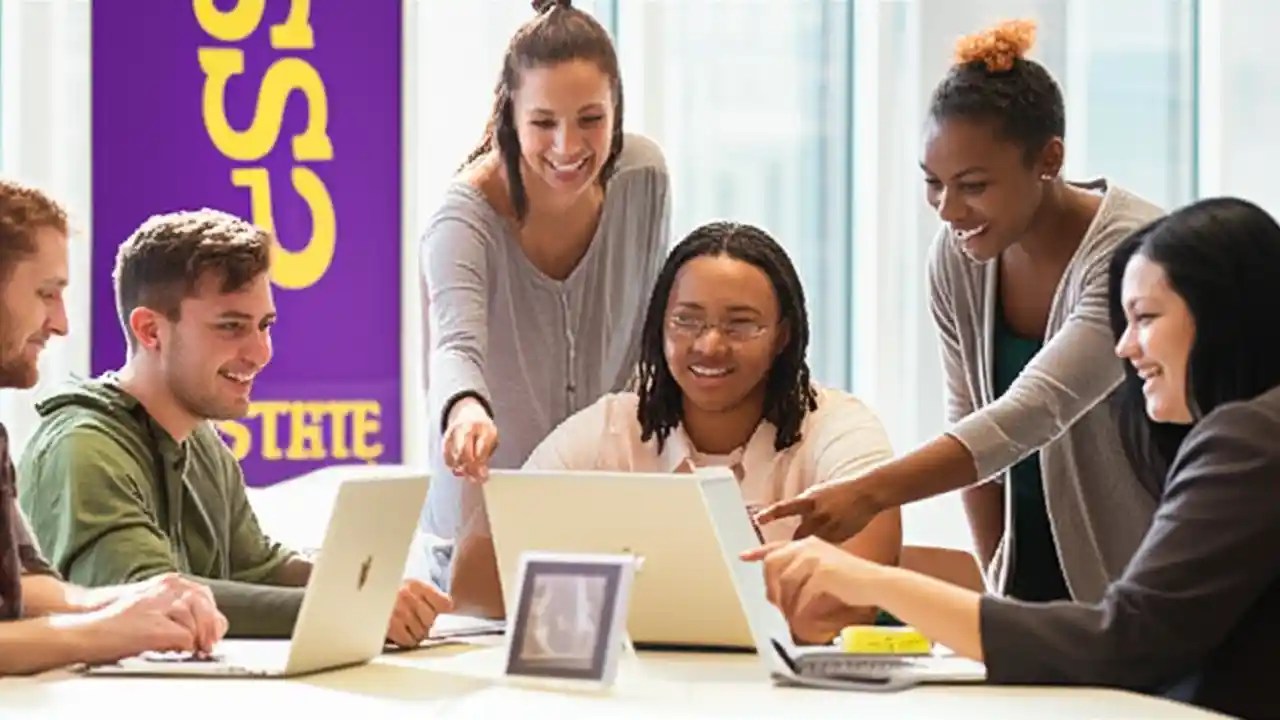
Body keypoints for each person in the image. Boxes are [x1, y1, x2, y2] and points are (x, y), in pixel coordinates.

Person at [747, 197, 1280, 719]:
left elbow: (1122, 642)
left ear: (1221, 312)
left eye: (1145, 318)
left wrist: (867, 579)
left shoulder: (1248, 439)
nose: (1125, 348)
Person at [757, 19, 1163, 604]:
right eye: (933, 183)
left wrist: (872, 492)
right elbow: (972, 416)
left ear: (1049, 159)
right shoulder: (959, 257)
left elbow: (1037, 410)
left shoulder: (1137, 254)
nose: (948, 209)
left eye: (972, 184)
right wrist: (999, 580)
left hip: (1143, 574)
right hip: (1032, 571)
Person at [18, 208, 451, 647]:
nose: (261, 352)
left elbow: (257, 567)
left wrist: (363, 587)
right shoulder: (82, 448)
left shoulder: (203, 442)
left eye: (265, 326)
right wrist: (350, 609)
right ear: (151, 331)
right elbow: (151, 601)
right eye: (231, 327)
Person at [508, 222, 897, 643]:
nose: (710, 345)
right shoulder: (612, 427)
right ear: (660, 325)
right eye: (686, 321)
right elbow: (484, 569)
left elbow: (849, 602)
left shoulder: (839, 429)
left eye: (740, 325)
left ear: (782, 336)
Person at [420, 0, 670, 612]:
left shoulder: (643, 176)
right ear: (511, 112)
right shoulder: (463, 218)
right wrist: (467, 409)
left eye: (591, 119)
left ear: (617, 108)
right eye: (543, 122)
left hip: (604, 513)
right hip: (486, 532)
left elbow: (651, 329)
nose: (568, 146)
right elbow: (456, 345)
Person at [0, 178, 228, 674]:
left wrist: (125, 602)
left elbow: (24, 584)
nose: (60, 323)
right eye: (45, 293)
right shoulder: (82, 439)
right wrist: (98, 634)